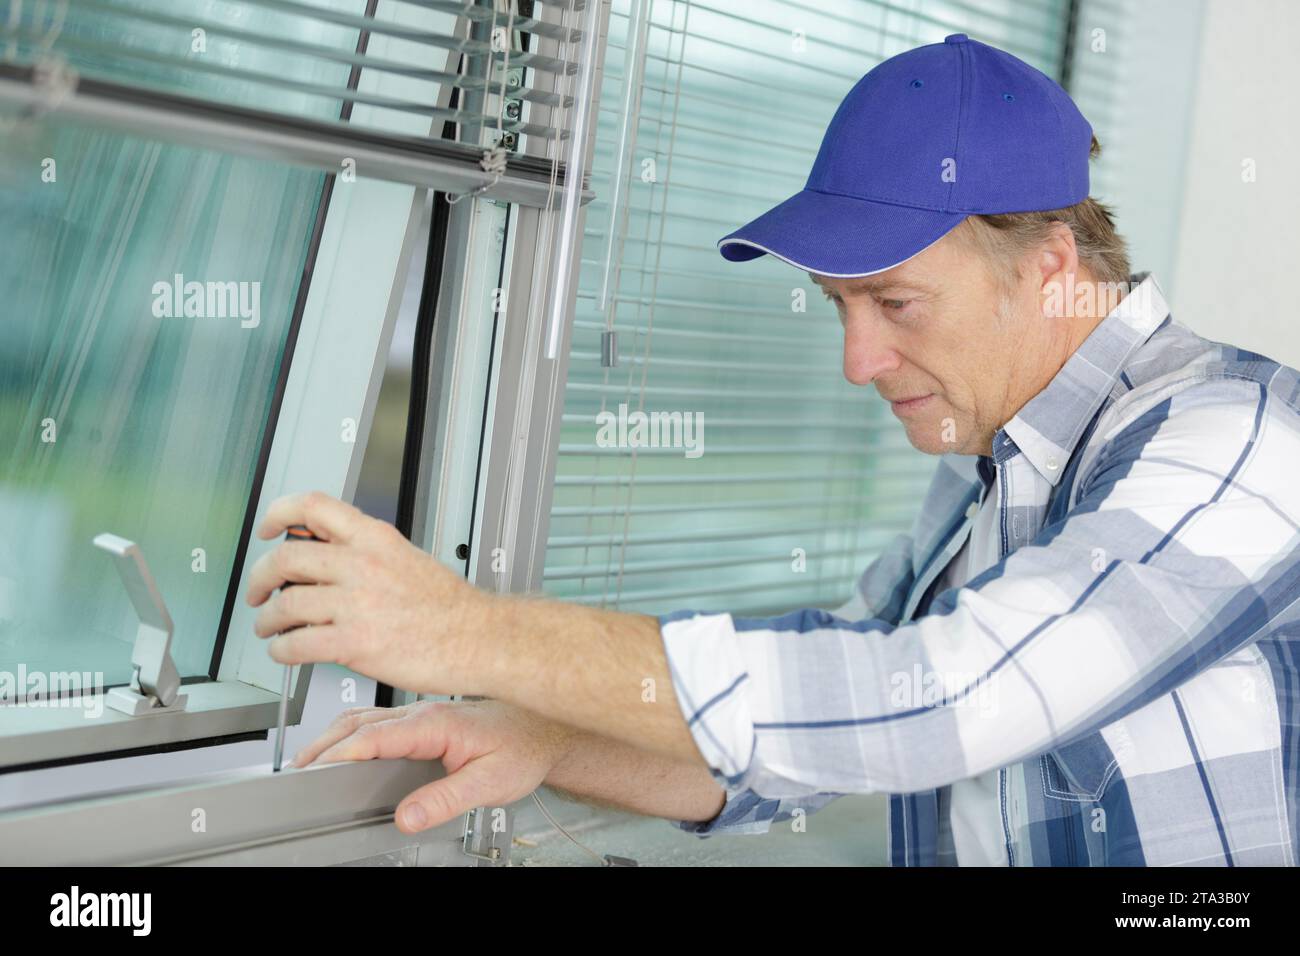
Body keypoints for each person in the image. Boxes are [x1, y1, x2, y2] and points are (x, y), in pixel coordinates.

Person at [245, 35, 1300, 866]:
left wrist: (470, 631)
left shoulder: (1235, 442)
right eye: (837, 304)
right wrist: (552, 738)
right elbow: (819, 730)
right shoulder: (987, 468)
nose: (858, 359)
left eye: (894, 300)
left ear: (1049, 265)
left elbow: (934, 703)